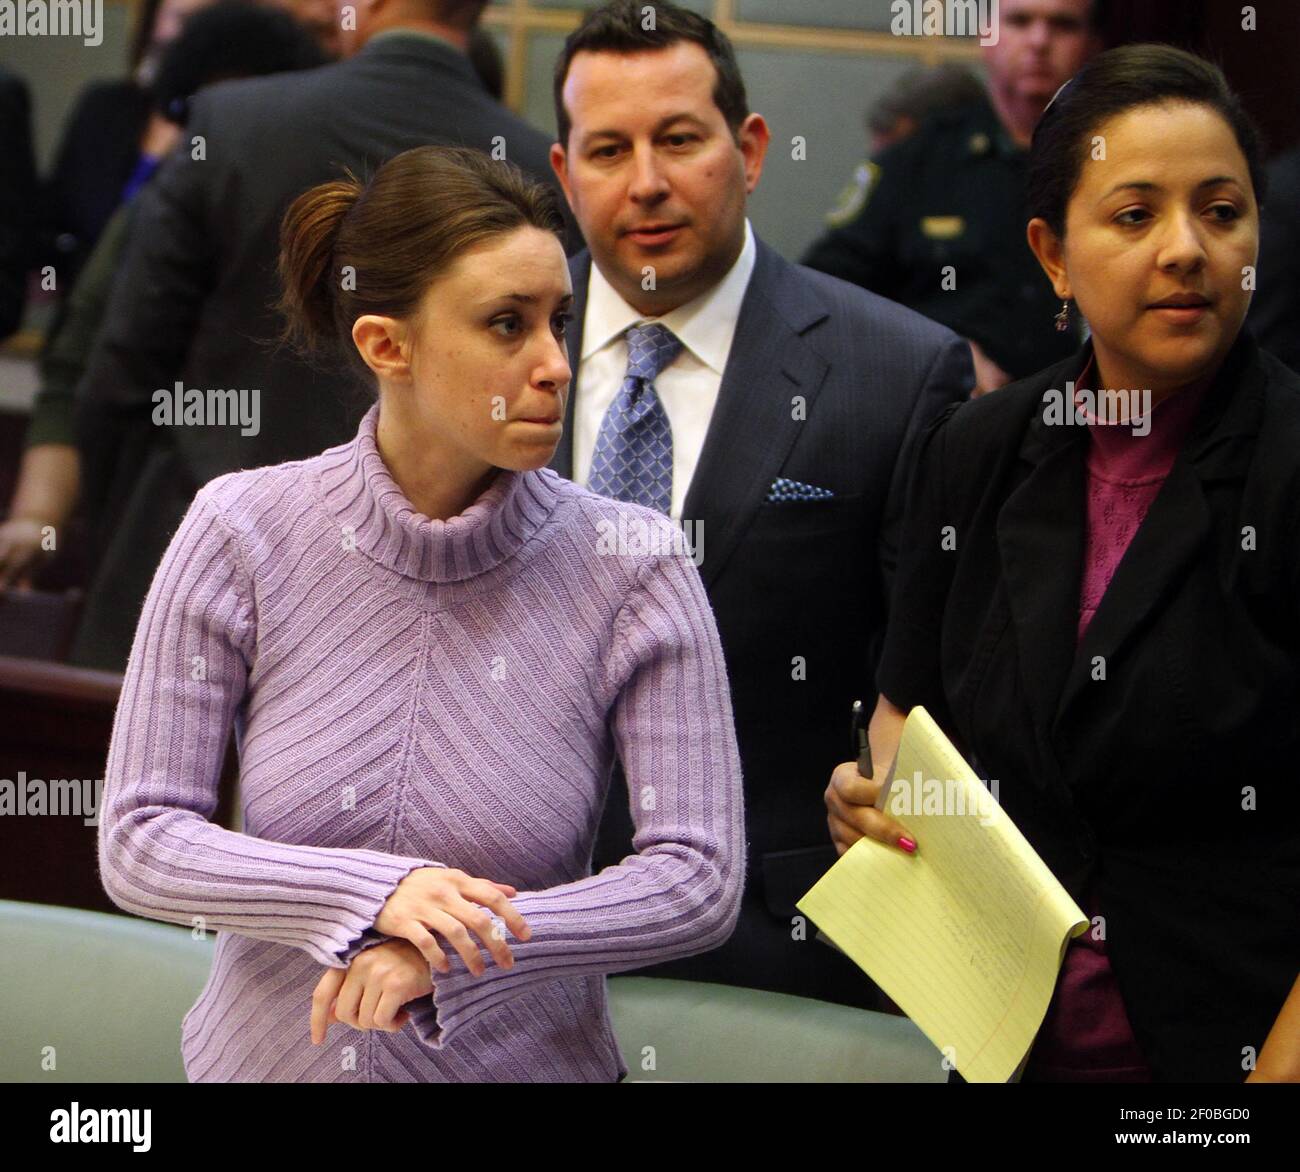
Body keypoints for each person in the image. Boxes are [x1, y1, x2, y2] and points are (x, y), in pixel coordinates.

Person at [97, 146, 744, 1083]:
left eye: (560, 321)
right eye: (505, 325)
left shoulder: (633, 562)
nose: (556, 366)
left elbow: (697, 879)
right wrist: (378, 892)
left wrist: (457, 947)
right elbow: (141, 837)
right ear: (384, 346)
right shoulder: (241, 529)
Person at [824, 45, 1300, 1083]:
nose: (1187, 249)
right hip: (1005, 1037)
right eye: (1134, 216)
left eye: (1221, 213)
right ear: (1050, 252)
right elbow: (905, 709)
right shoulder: (980, 446)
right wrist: (883, 793)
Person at [547, 0, 973, 1010]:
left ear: (748, 149)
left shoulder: (895, 372)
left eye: (679, 140)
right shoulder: (488, 349)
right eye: (608, 149)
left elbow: (936, 681)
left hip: (772, 957)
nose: (645, 180)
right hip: (507, 934)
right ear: (564, 176)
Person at [70, 0, 578, 674]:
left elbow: (125, 360)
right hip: (444, 620)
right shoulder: (535, 169)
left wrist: (103, 528)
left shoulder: (231, 123)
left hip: (184, 559)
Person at [0, 1, 326, 592]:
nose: (229, 138)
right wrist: (37, 520)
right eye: (210, 117)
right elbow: (77, 364)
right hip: (152, 529)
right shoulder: (156, 204)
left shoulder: (323, 221)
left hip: (297, 542)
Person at [802, 0, 1103, 393]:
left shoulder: (1116, 159)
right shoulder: (919, 158)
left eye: (1063, 26)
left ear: (1094, 44)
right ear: (986, 36)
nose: (1039, 41)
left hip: (1076, 423)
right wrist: (930, 348)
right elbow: (820, 293)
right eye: (1019, 21)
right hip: (942, 413)